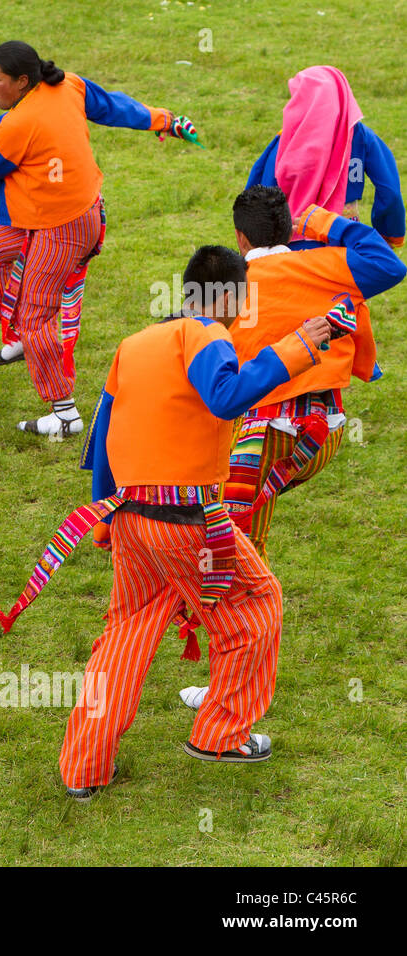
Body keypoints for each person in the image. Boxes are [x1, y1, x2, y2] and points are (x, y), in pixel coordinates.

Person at [0, 247, 331, 799]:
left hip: (130, 515)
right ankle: (222, 734)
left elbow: (100, 440)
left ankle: (83, 768)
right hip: (189, 520)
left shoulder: (134, 345)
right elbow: (226, 399)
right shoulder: (205, 335)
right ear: (229, 296)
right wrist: (298, 348)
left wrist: (108, 512)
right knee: (256, 605)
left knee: (127, 634)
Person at [177, 187, 405, 711]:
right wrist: (329, 222)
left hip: (267, 436)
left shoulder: (230, 287)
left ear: (239, 237)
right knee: (242, 543)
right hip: (324, 431)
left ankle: (230, 682)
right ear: (291, 230)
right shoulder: (327, 264)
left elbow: (204, 367)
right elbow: (389, 265)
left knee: (233, 555)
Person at [0, 41, 200, 437]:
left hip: (62, 228)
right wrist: (162, 119)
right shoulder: (69, 85)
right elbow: (114, 107)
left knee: (37, 314)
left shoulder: (19, 124)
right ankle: (19, 339)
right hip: (38, 218)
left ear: (22, 81)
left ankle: (65, 413)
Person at [246, 66, 404, 250]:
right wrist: (388, 234)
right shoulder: (362, 136)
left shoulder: (286, 141)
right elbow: (390, 190)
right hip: (345, 236)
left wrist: (255, 243)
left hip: (295, 242)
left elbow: (260, 191)